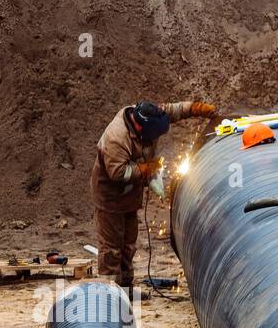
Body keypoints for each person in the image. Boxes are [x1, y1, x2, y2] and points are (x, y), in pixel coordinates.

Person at [91, 98, 216, 290]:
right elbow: (118, 173)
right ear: (142, 129)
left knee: (128, 243)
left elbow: (175, 110)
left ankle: (125, 287)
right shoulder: (117, 137)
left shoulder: (150, 114)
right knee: (112, 247)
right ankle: (110, 292)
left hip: (129, 195)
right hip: (111, 197)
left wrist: (197, 108)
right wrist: (146, 169)